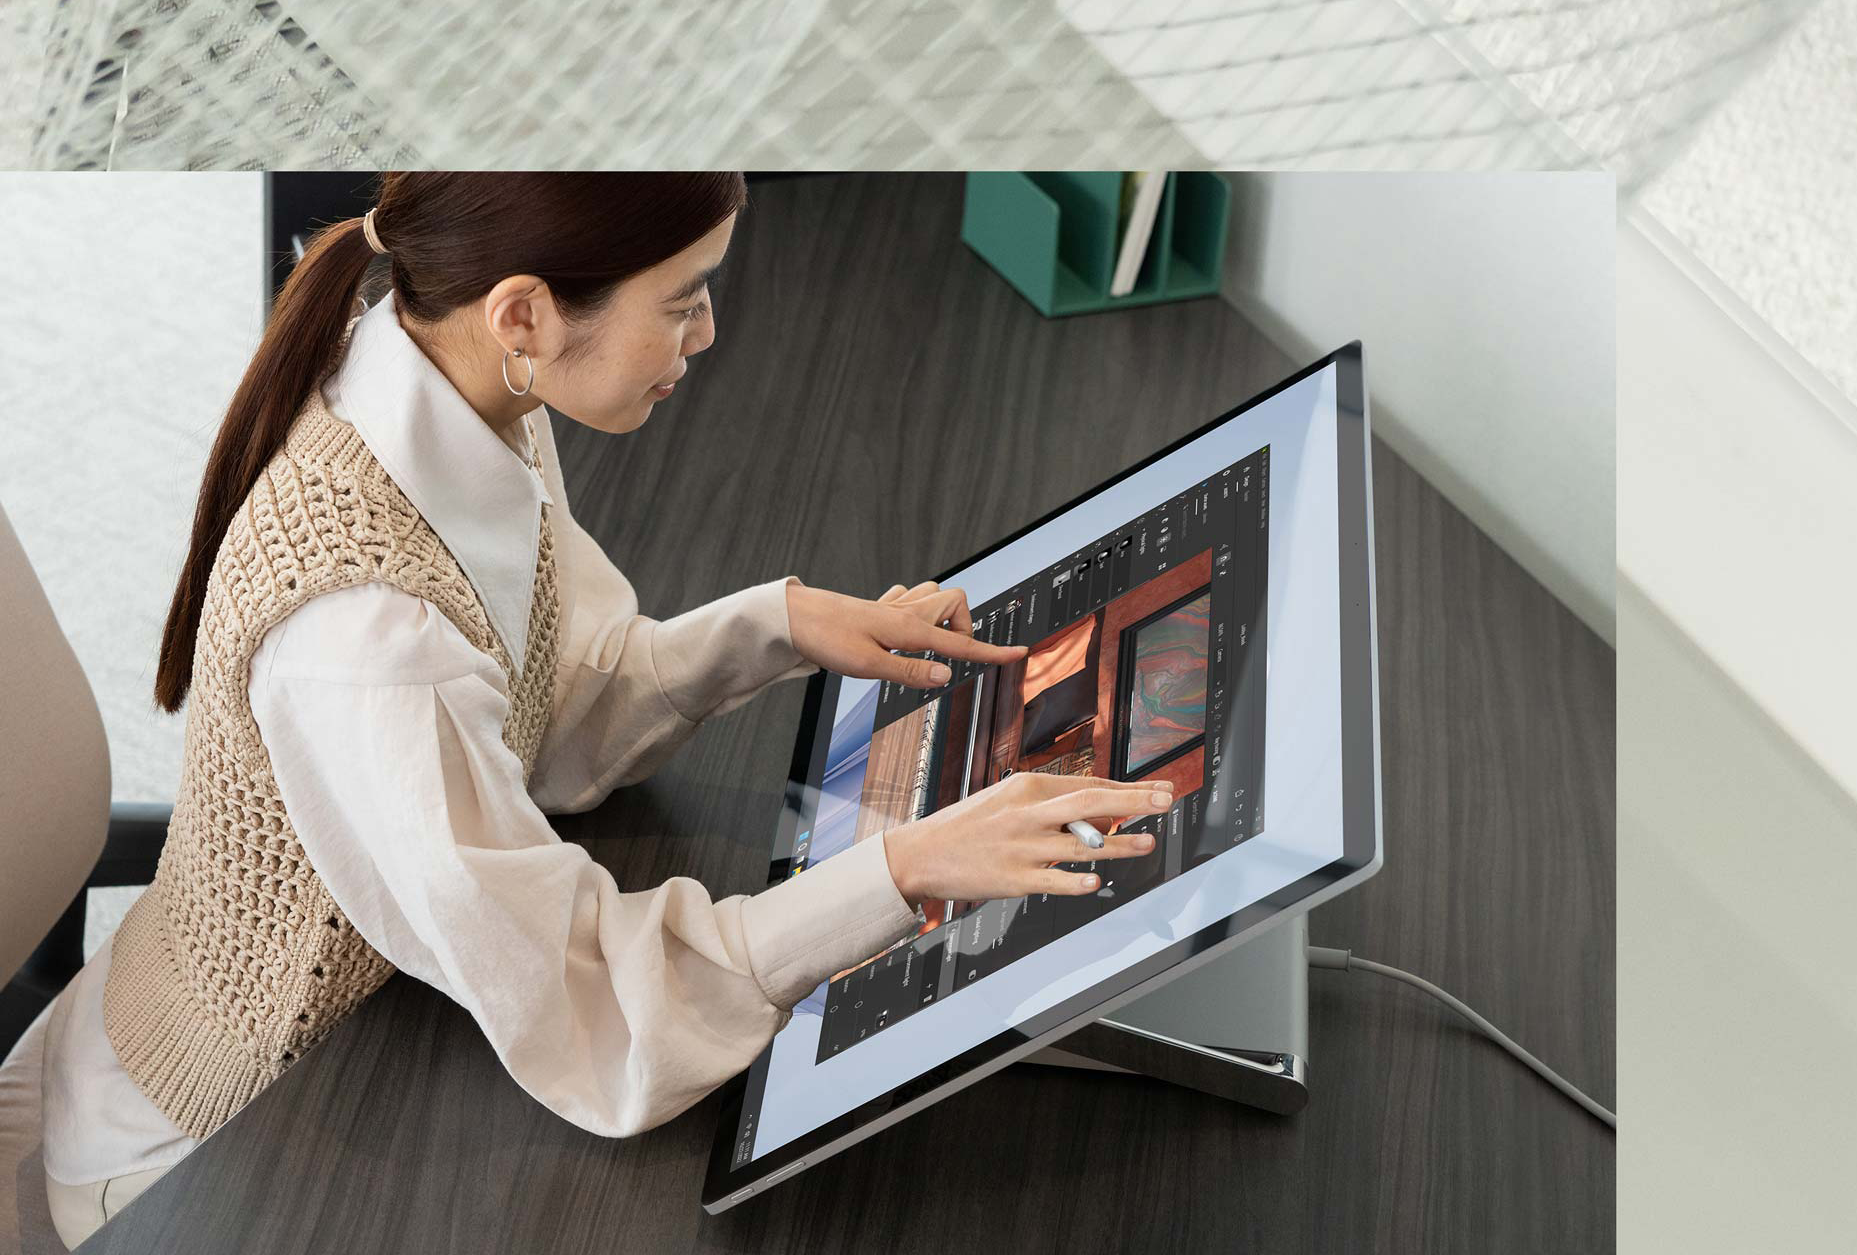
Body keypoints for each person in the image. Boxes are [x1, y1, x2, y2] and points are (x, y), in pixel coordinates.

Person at [36, 172, 1167, 1248]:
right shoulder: (366, 636)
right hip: (220, 1140)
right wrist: (906, 871)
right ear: (523, 314)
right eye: (683, 299)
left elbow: (539, 712)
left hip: (358, 1043)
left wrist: (778, 625)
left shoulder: (458, 382)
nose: (708, 331)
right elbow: (590, 1004)